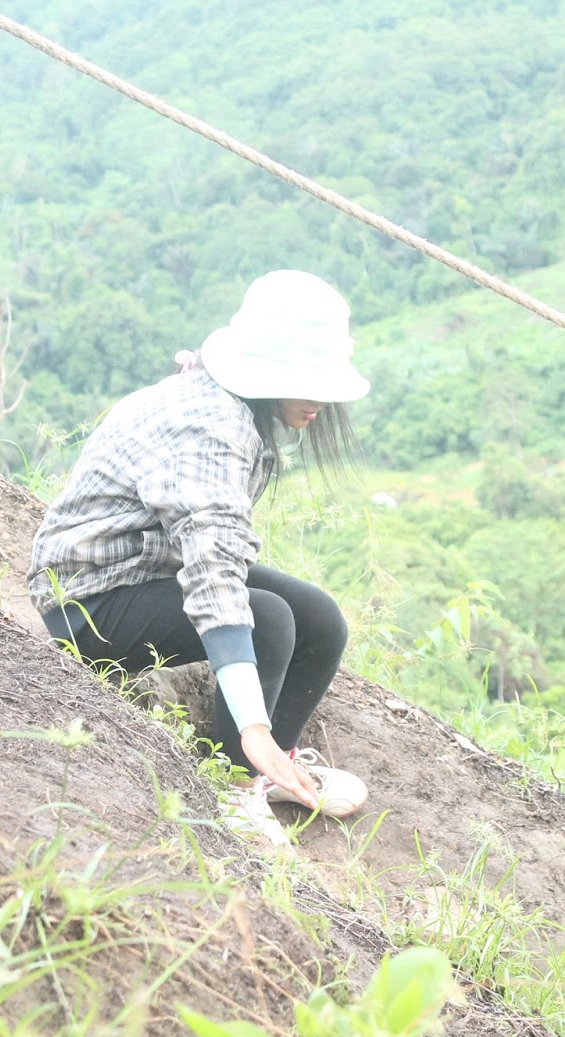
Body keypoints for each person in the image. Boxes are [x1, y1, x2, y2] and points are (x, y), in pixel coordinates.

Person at [27, 269, 370, 847]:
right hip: (88, 600)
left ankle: (274, 768)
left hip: (153, 564)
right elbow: (213, 576)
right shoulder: (210, 429)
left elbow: (212, 549)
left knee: (319, 618)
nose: (319, 400)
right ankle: (237, 784)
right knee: (269, 619)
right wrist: (252, 726)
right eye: (308, 382)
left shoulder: (231, 401)